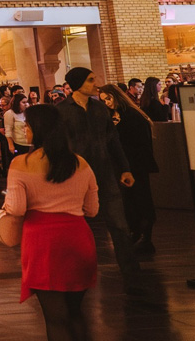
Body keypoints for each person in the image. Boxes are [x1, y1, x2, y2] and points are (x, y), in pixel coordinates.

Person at [3, 104, 98, 341]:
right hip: (78, 239)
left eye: (27, 125)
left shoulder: (21, 164)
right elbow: (93, 210)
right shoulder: (81, 163)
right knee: (76, 313)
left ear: (38, 128)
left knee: (56, 318)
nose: (24, 129)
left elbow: (16, 208)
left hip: (43, 243)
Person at [57, 67, 139, 288]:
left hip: (104, 174)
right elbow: (58, 145)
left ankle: (132, 277)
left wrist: (124, 168)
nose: (96, 83)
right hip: (75, 177)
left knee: (119, 225)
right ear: (78, 84)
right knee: (74, 227)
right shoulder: (61, 111)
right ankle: (73, 277)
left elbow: (113, 140)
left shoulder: (100, 109)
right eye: (91, 80)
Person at [98, 84, 158, 255]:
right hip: (121, 165)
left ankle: (145, 237)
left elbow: (140, 143)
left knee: (141, 199)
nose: (107, 103)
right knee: (128, 201)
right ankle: (135, 233)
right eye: (104, 100)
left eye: (109, 98)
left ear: (116, 96)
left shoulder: (132, 115)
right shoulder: (110, 116)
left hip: (136, 164)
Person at [5, 93, 32, 158]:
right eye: (23, 102)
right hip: (18, 143)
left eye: (26, 102)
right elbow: (8, 130)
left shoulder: (27, 112)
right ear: (17, 103)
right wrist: (11, 145)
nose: (26, 104)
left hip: (29, 143)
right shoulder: (10, 113)